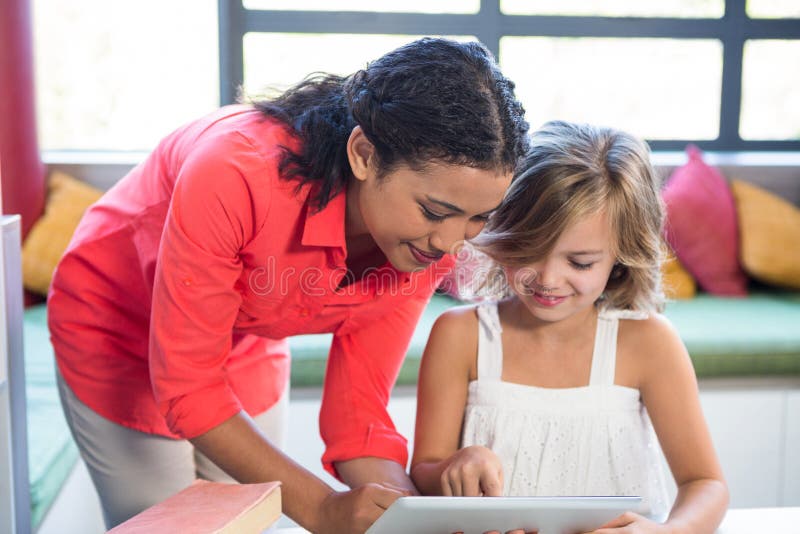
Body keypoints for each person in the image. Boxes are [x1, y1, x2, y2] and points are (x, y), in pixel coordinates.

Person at [48, 37, 530, 533]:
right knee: (171, 524)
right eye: (435, 212)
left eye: (477, 219)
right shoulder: (233, 171)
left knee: (247, 518)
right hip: (116, 326)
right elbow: (190, 390)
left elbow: (357, 418)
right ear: (364, 153)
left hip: (246, 336)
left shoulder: (421, 241)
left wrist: (412, 522)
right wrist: (321, 509)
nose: (452, 243)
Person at [410, 121, 729, 533]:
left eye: (579, 263)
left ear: (622, 254)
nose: (548, 278)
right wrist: (454, 467)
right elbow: (423, 470)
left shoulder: (648, 342)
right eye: (528, 251)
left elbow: (705, 483)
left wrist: (670, 531)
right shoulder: (461, 335)